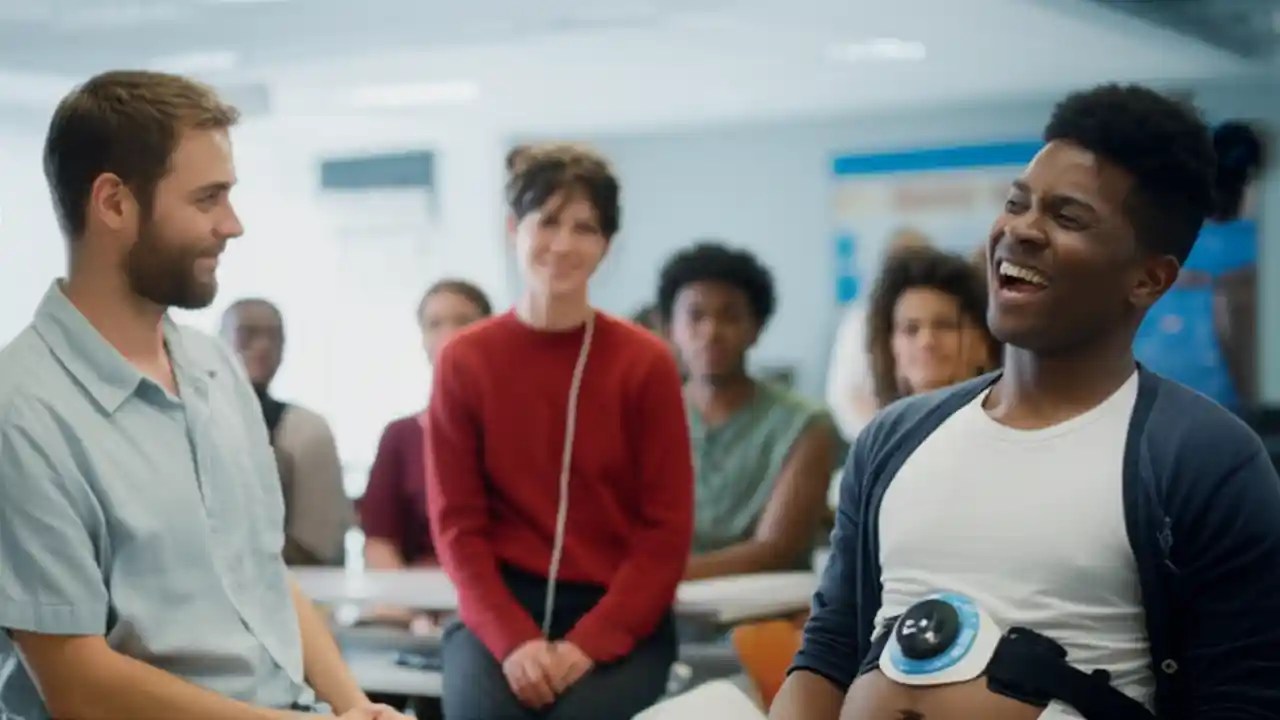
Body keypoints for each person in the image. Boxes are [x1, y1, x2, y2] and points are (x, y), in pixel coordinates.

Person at [772, 84, 1280, 720]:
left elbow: (1244, 702)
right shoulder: (894, 438)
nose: (1021, 230)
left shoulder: (1204, 459)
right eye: (1017, 203)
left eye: (1067, 218)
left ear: (1149, 278)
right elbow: (826, 654)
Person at [0, 70, 408, 720]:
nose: (233, 224)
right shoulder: (21, 412)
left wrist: (354, 705)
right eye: (207, 199)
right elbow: (79, 686)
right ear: (113, 204)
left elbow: (264, 576)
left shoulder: (212, 367)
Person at [426, 143, 694, 719]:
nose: (564, 244)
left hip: (619, 615)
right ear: (511, 228)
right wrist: (514, 640)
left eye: (586, 227)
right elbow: (457, 527)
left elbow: (665, 531)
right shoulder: (465, 361)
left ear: (607, 244)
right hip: (499, 610)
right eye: (547, 222)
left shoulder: (645, 362)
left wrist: (589, 644)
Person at [657, 242, 837, 581]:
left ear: (756, 328)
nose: (711, 332)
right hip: (660, 612)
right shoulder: (644, 418)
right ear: (670, 330)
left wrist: (654, 577)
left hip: (767, 614)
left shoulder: (805, 425)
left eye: (730, 316)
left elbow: (775, 549)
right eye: (695, 316)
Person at [360, 279, 492, 574]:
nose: (449, 334)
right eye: (434, 324)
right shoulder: (400, 436)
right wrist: (408, 609)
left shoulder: (520, 430)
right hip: (423, 602)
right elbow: (380, 543)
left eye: (463, 321)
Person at [221, 298, 353, 567]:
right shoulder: (180, 419)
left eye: (274, 337)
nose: (263, 346)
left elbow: (318, 546)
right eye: (248, 334)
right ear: (219, 342)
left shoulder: (304, 431)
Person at [824, 227, 931, 441]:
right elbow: (844, 395)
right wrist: (885, 435)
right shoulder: (861, 322)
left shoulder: (948, 316)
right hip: (876, 438)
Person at [863, 245, 1000, 409]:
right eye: (911, 329)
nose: (926, 341)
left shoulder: (1005, 428)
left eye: (944, 326)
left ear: (982, 342)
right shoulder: (882, 432)